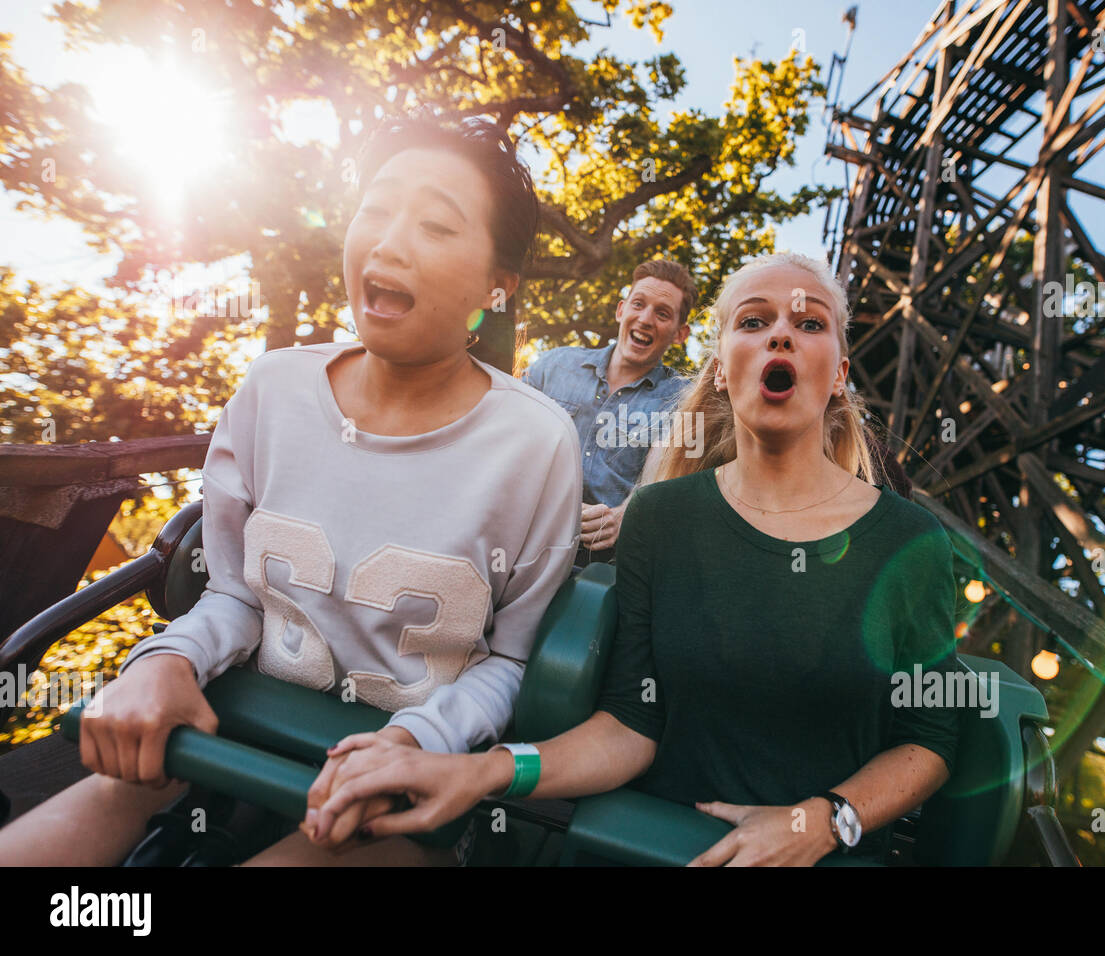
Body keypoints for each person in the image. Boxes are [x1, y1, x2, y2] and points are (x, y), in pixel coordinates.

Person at [0, 109, 582, 867]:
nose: (388, 240)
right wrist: (167, 663)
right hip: (232, 729)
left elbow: (510, 662)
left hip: (402, 789)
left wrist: (415, 742)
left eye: (436, 227)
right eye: (375, 209)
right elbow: (237, 594)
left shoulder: (537, 444)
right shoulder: (273, 389)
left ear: (496, 289)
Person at [302, 251, 967, 866]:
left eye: (810, 323)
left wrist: (820, 823)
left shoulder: (909, 541)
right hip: (644, 846)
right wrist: (484, 771)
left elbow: (931, 739)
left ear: (840, 374)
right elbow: (630, 726)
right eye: (754, 321)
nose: (780, 335)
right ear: (722, 365)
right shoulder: (661, 518)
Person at [520, 259, 697, 565]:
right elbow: (505, 438)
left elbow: (688, 488)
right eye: (638, 304)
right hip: (522, 543)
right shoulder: (554, 366)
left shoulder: (686, 400)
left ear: (680, 333)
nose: (645, 319)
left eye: (662, 313)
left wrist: (627, 514)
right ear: (621, 310)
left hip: (606, 571)